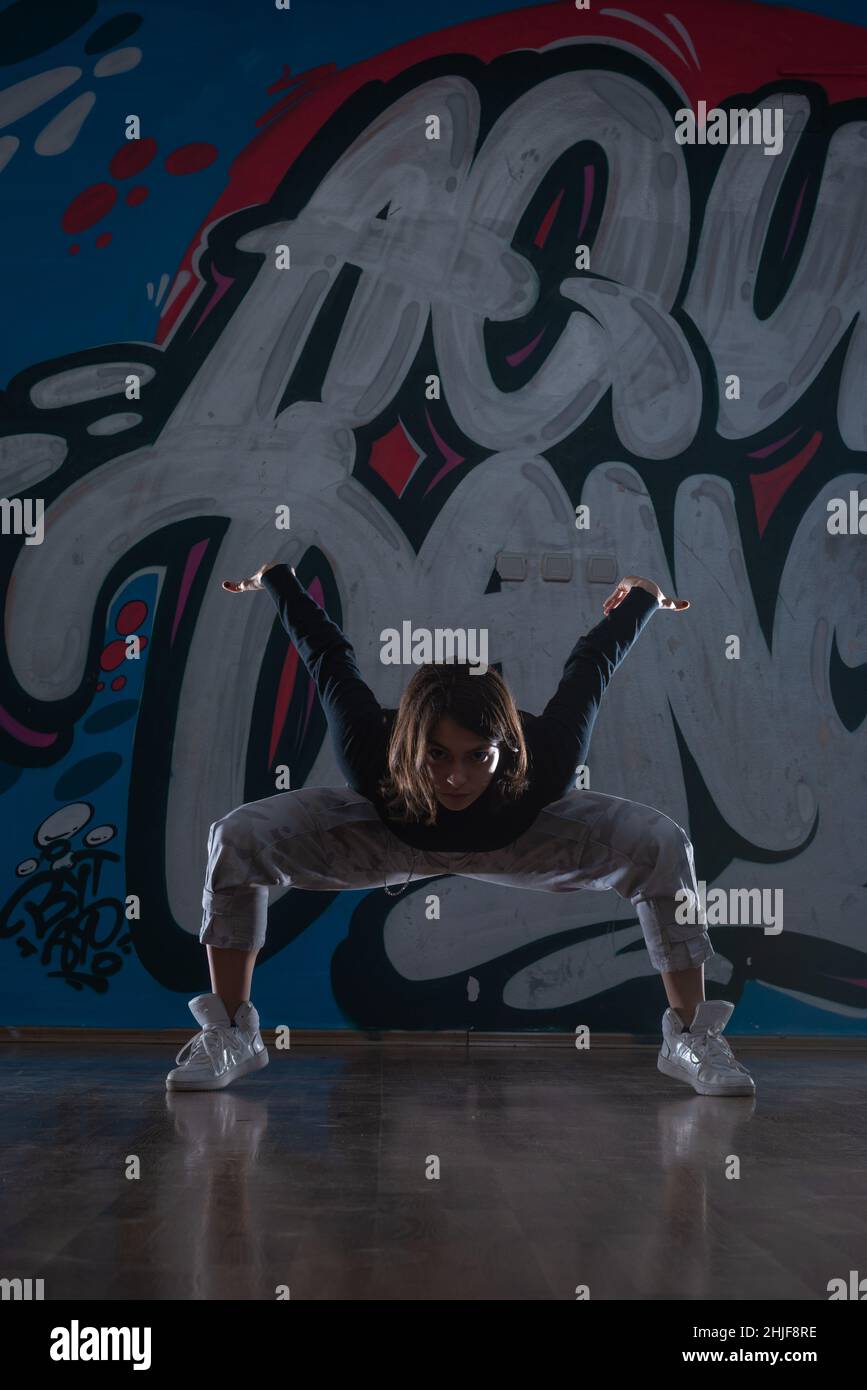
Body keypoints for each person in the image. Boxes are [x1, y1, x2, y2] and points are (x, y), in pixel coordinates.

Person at [166, 561, 755, 1099]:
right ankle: (232, 1033)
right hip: (387, 829)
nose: (456, 777)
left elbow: (592, 663)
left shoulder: (546, 756)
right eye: (438, 755)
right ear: (406, 745)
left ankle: (689, 1038)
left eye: (479, 756)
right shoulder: (368, 745)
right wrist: (279, 580)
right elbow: (325, 652)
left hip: (523, 837)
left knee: (660, 842)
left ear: (507, 749)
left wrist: (642, 599)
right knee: (240, 836)